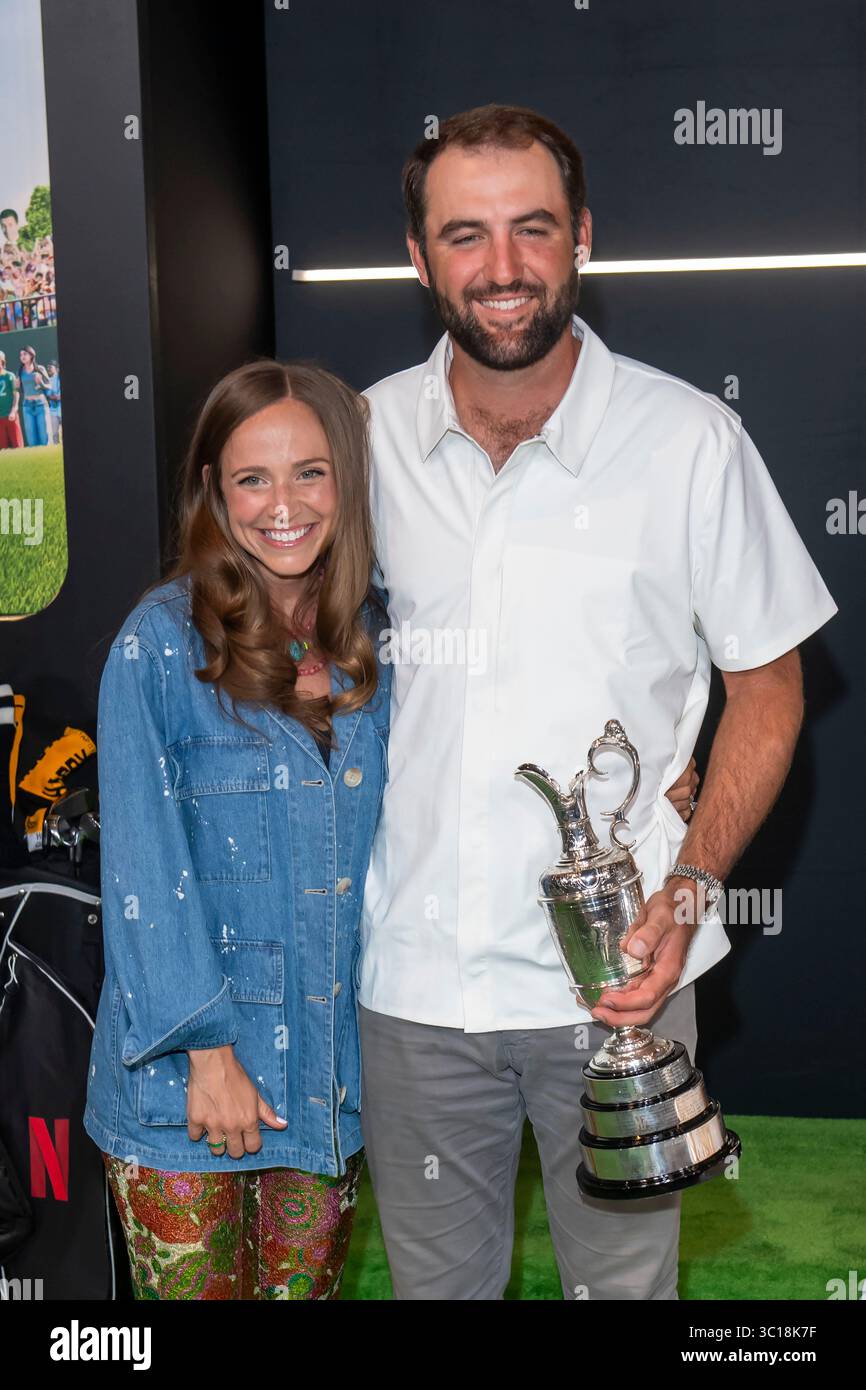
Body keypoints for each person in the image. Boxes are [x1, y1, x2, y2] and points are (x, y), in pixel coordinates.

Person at [356, 104, 838, 1300]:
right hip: (413, 986)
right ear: (419, 259)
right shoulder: (357, 439)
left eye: (532, 228)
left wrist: (689, 882)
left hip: (624, 977)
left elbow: (767, 688)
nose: (501, 267)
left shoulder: (687, 441)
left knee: (624, 1296)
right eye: (463, 236)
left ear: (582, 237)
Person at [83, 360, 391, 1300]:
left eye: (309, 472)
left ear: (346, 480)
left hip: (325, 1087)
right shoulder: (160, 643)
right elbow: (141, 868)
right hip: (186, 1088)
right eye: (252, 477)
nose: (282, 504)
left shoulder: (378, 647)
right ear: (214, 492)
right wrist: (205, 1057)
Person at [17, 345, 50, 446]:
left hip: (41, 405)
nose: (22, 356)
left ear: (31, 355)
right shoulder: (19, 371)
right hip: (27, 406)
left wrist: (41, 383)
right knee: (31, 440)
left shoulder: (40, 368)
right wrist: (16, 386)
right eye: (21, 355)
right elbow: (18, 389)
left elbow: (49, 385)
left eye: (25, 354)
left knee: (44, 438)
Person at [0, 349, 22, 448]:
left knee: (17, 445)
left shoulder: (10, 376)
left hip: (10, 415)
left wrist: (13, 410)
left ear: (2, 361)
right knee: (3, 449)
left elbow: (16, 394)